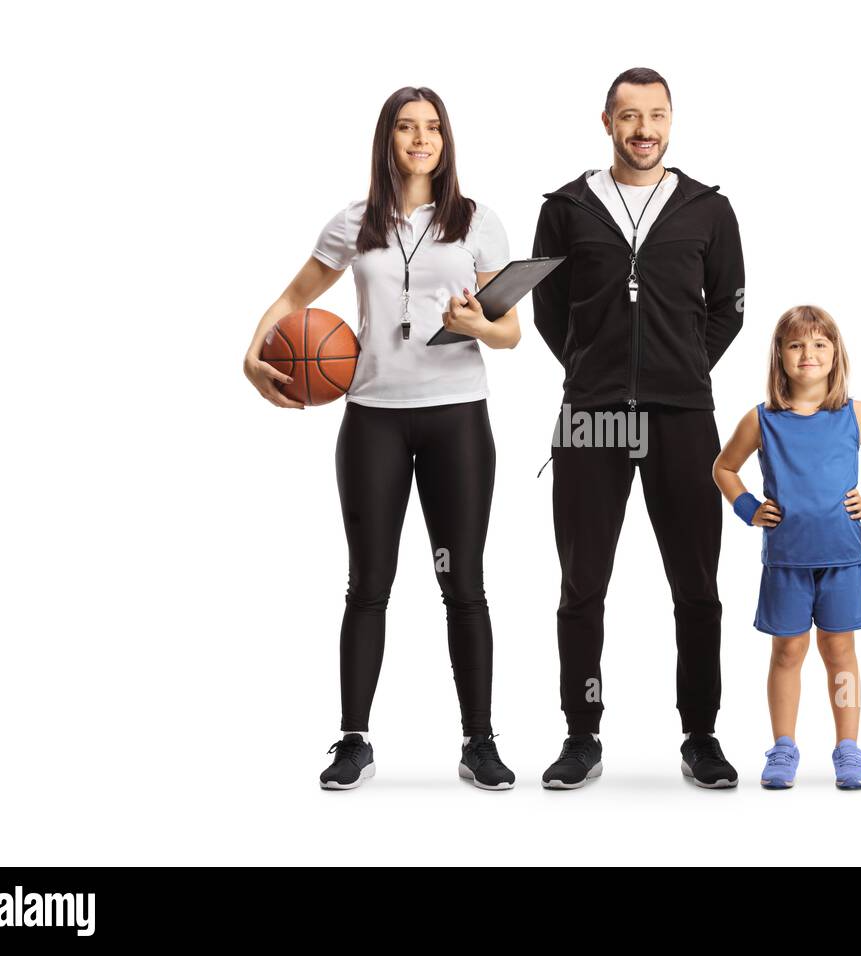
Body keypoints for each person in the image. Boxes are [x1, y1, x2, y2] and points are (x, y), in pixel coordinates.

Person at [242, 87, 521, 791]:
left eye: (431, 127)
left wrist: (476, 327)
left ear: (446, 139)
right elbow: (293, 298)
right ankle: (353, 740)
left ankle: (479, 740)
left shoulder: (479, 223)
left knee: (464, 583)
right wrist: (253, 351)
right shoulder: (354, 221)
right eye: (406, 127)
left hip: (457, 413)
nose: (420, 138)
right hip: (372, 417)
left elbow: (511, 332)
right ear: (387, 139)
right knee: (367, 584)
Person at [530, 68, 746, 788]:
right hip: (590, 416)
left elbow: (729, 310)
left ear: (671, 121)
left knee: (698, 585)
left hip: (683, 416)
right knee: (581, 582)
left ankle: (701, 734)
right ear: (606, 122)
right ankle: (581, 733)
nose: (643, 129)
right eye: (629, 116)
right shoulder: (566, 207)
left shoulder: (708, 209)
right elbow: (548, 314)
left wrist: (679, 370)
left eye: (655, 115)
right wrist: (595, 372)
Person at [713, 305, 861, 790]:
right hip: (785, 562)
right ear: (780, 354)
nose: (808, 354)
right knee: (788, 652)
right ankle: (783, 748)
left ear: (835, 353)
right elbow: (724, 469)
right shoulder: (762, 420)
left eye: (820, 344)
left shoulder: (856, 414)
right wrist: (748, 508)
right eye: (796, 344)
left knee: (841, 652)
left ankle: (848, 748)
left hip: (842, 560)